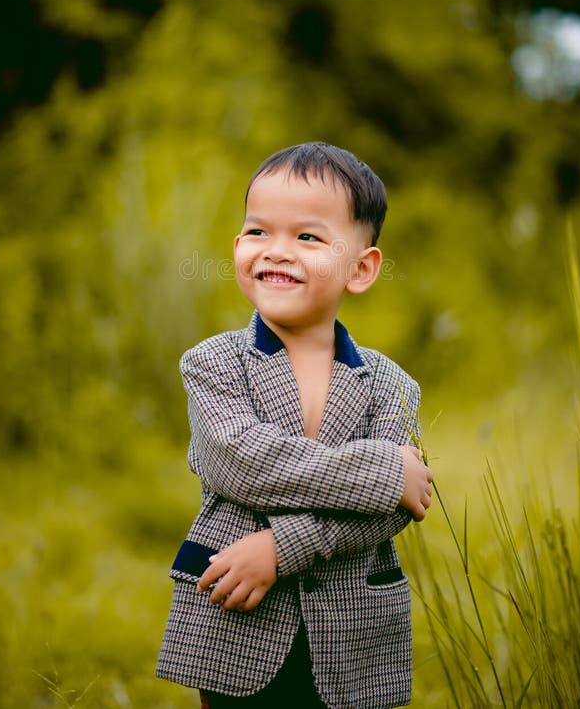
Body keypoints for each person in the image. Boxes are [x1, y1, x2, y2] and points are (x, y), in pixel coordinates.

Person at [156, 142, 434, 708]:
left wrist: (283, 545)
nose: (276, 251)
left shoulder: (389, 383)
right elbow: (245, 462)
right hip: (238, 622)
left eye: (307, 238)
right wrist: (386, 472)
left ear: (361, 268)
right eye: (258, 232)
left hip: (354, 633)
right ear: (238, 247)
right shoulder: (212, 362)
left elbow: (395, 513)